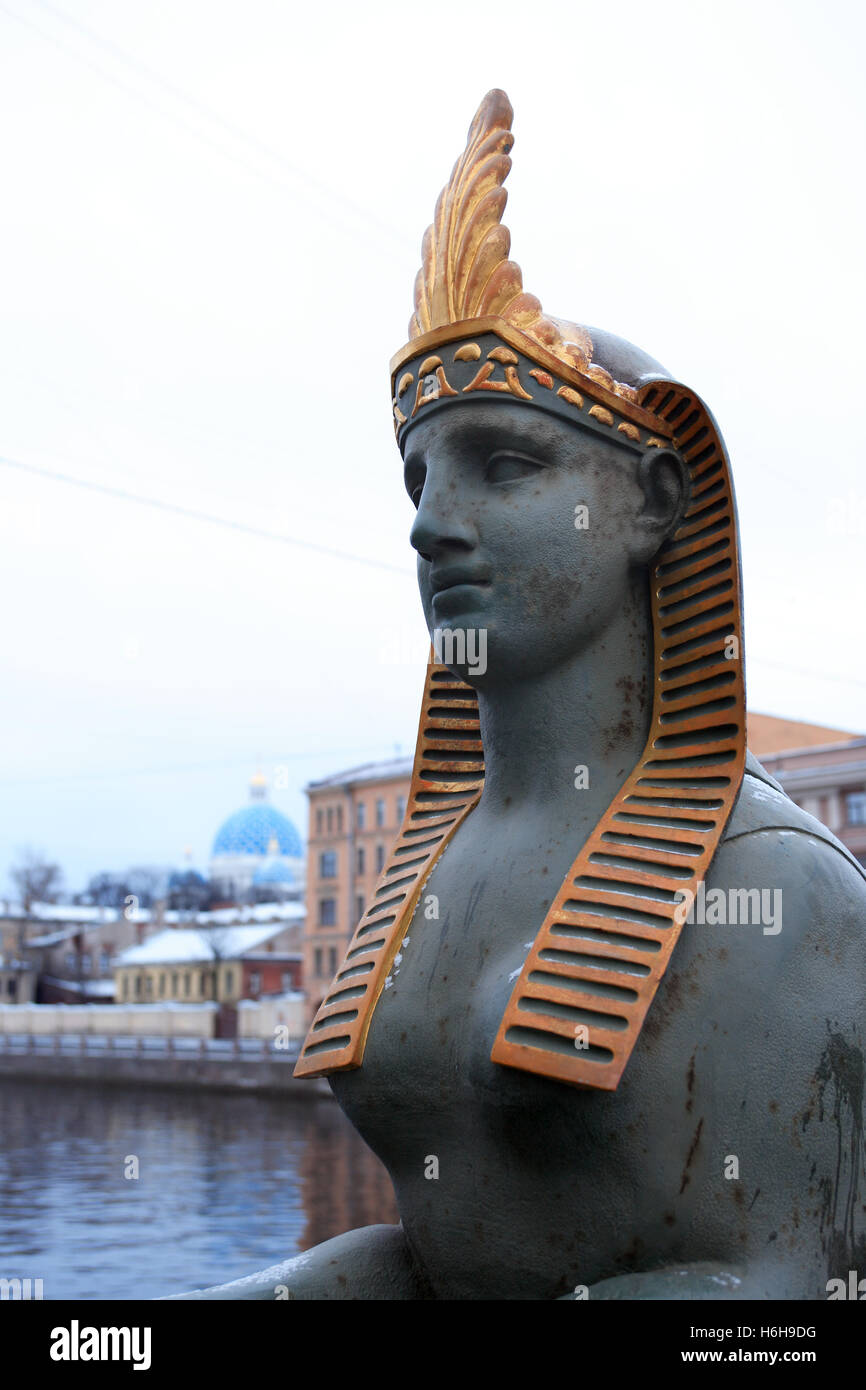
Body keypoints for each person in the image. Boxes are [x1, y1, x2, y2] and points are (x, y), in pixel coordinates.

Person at [179, 91, 866, 1301]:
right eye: (418, 474)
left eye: (504, 463)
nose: (430, 524)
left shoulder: (777, 888)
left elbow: (775, 1298)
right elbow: (433, 1258)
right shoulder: (438, 858)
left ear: (651, 503)